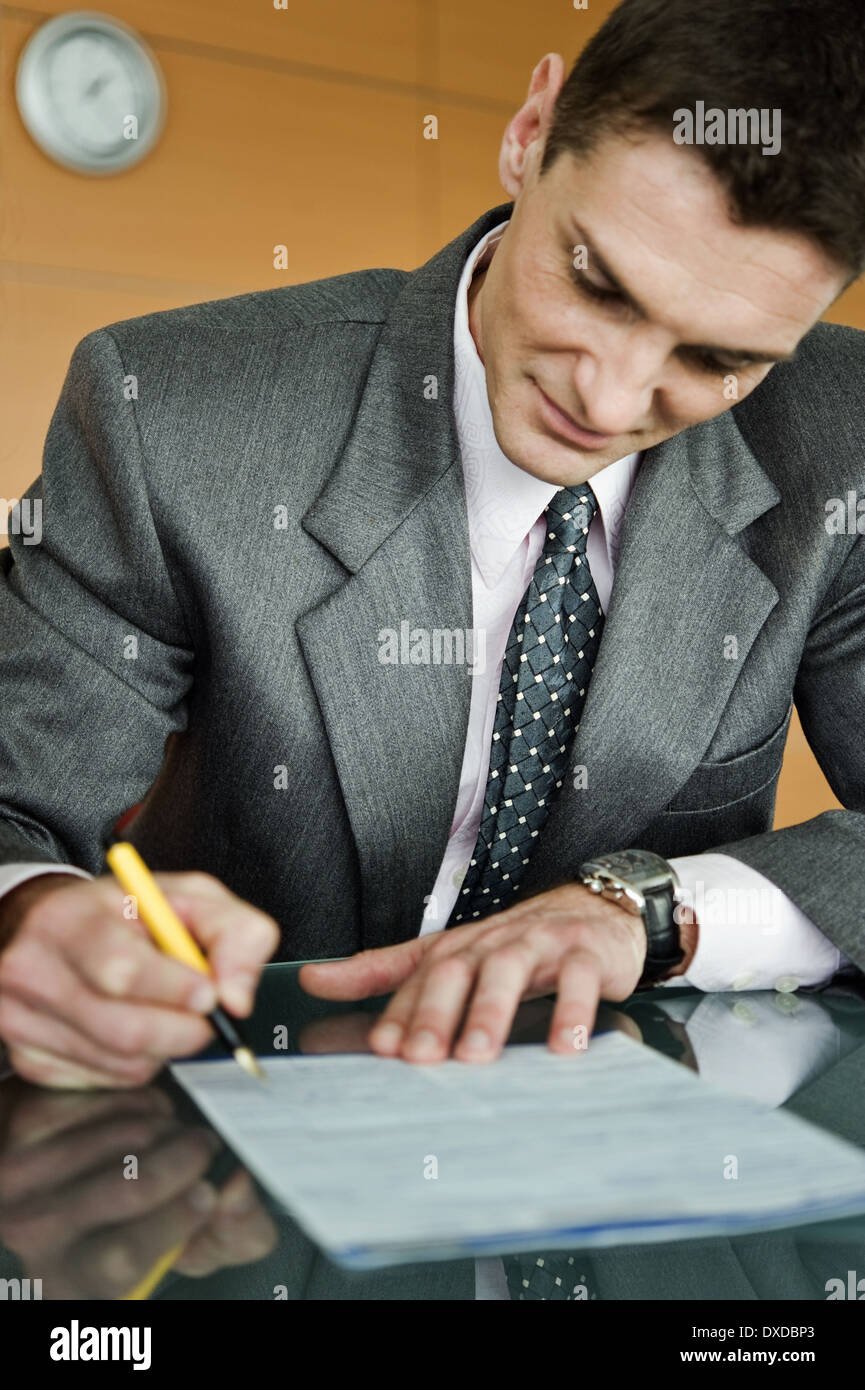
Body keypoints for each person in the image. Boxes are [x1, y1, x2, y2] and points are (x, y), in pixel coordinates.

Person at [1, 0, 864, 1094]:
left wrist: (658, 914)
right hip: (228, 1134)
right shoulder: (168, 415)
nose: (604, 397)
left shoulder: (844, 442)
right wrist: (30, 912)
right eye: (595, 280)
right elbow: (11, 804)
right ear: (531, 131)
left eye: (719, 359)